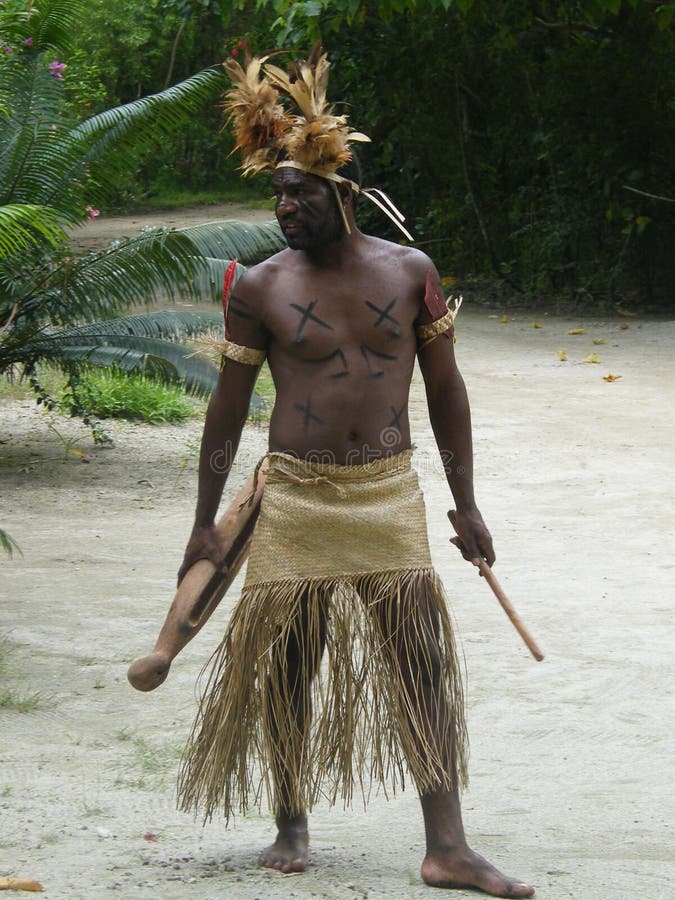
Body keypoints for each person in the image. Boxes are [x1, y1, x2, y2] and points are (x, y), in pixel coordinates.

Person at [176, 47, 534, 899]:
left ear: (344, 192)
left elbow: (446, 391)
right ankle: (290, 822)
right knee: (291, 659)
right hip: (297, 494)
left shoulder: (410, 273)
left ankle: (446, 847)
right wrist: (202, 520)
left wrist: (466, 502)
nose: (282, 205)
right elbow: (226, 410)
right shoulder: (257, 287)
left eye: (298, 190)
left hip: (386, 492)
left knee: (420, 663)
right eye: (275, 192)